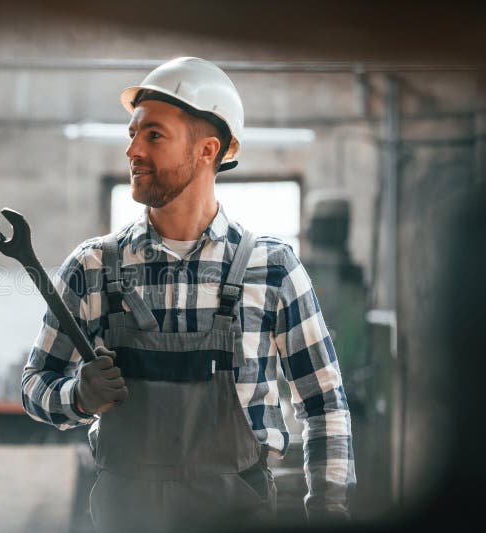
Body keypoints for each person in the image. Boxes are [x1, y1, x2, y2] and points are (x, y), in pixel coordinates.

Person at [21, 57, 355, 533]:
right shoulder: (93, 266)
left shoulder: (272, 267)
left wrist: (328, 513)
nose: (132, 149)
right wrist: (78, 396)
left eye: (153, 135)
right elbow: (35, 384)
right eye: (132, 133)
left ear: (207, 150)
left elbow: (324, 406)